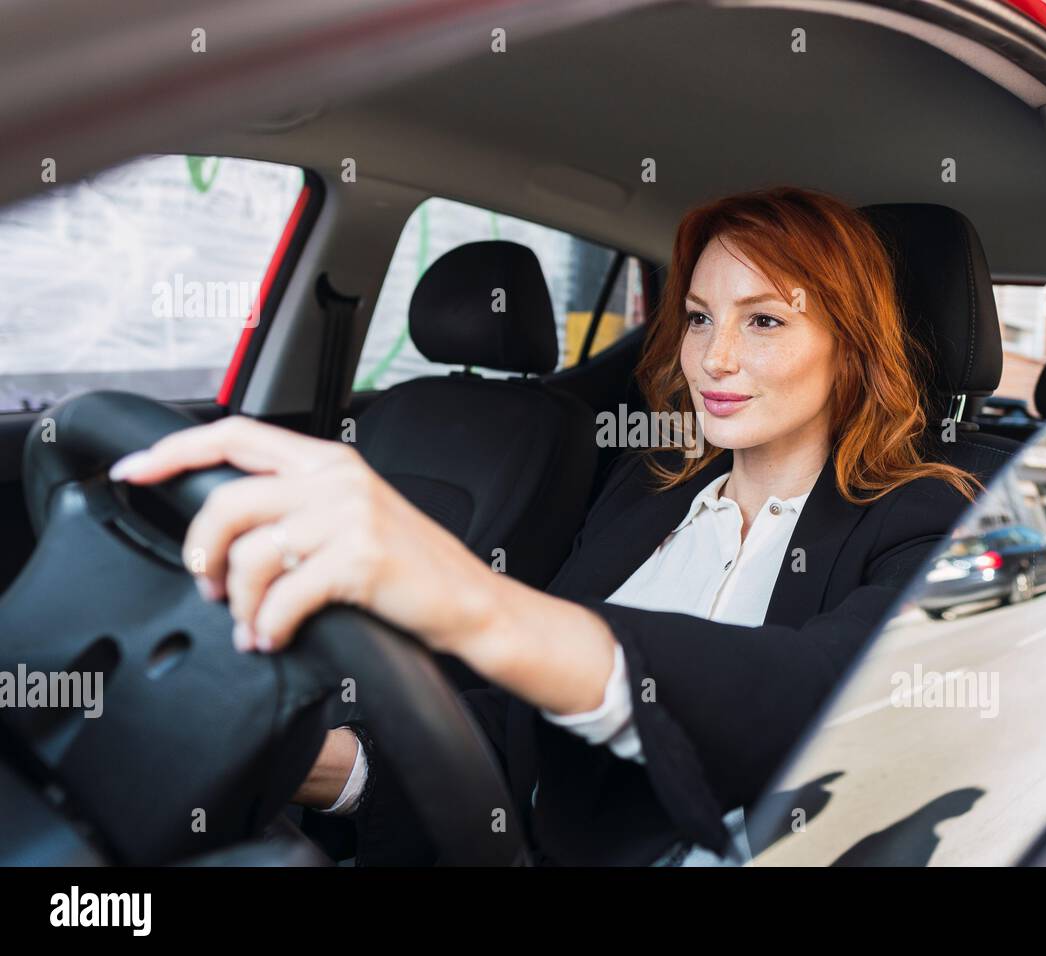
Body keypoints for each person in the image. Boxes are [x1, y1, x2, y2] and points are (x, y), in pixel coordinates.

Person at [109, 186, 979, 865]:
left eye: (764, 321)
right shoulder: (647, 493)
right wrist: (321, 764)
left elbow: (816, 696)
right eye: (701, 317)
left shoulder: (924, 518)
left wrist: (469, 599)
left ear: (853, 344)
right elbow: (522, 722)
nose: (714, 357)